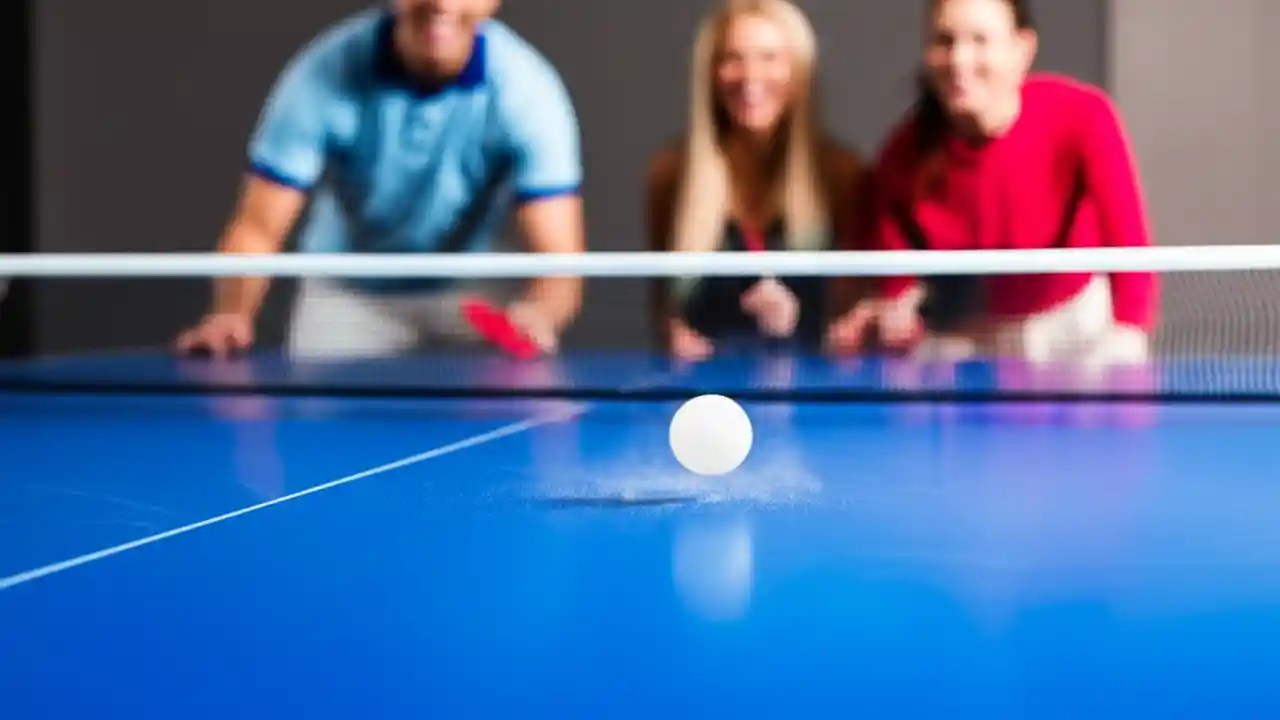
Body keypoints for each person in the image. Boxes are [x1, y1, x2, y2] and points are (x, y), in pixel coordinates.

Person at [175, 0, 585, 359]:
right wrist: (231, 313)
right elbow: (258, 228)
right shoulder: (323, 72)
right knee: (317, 422)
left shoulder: (529, 91)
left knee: (515, 404)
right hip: (346, 293)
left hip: (469, 289)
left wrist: (539, 312)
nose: (441, 3)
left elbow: (560, 260)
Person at [828, 0, 1158, 365]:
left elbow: (1131, 252)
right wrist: (893, 318)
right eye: (944, 41)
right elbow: (897, 284)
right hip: (973, 335)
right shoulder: (902, 155)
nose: (959, 60)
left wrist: (1128, 339)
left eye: (980, 40)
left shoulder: (1085, 116)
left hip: (1076, 328)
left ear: (1022, 49)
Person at [646, 0, 863, 361]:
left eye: (769, 58)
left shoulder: (841, 174)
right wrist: (675, 334)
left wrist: (809, 324)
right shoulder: (671, 173)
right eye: (733, 58)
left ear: (799, 72)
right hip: (706, 385)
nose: (750, 76)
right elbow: (663, 308)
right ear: (711, 73)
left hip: (813, 384)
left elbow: (851, 312)